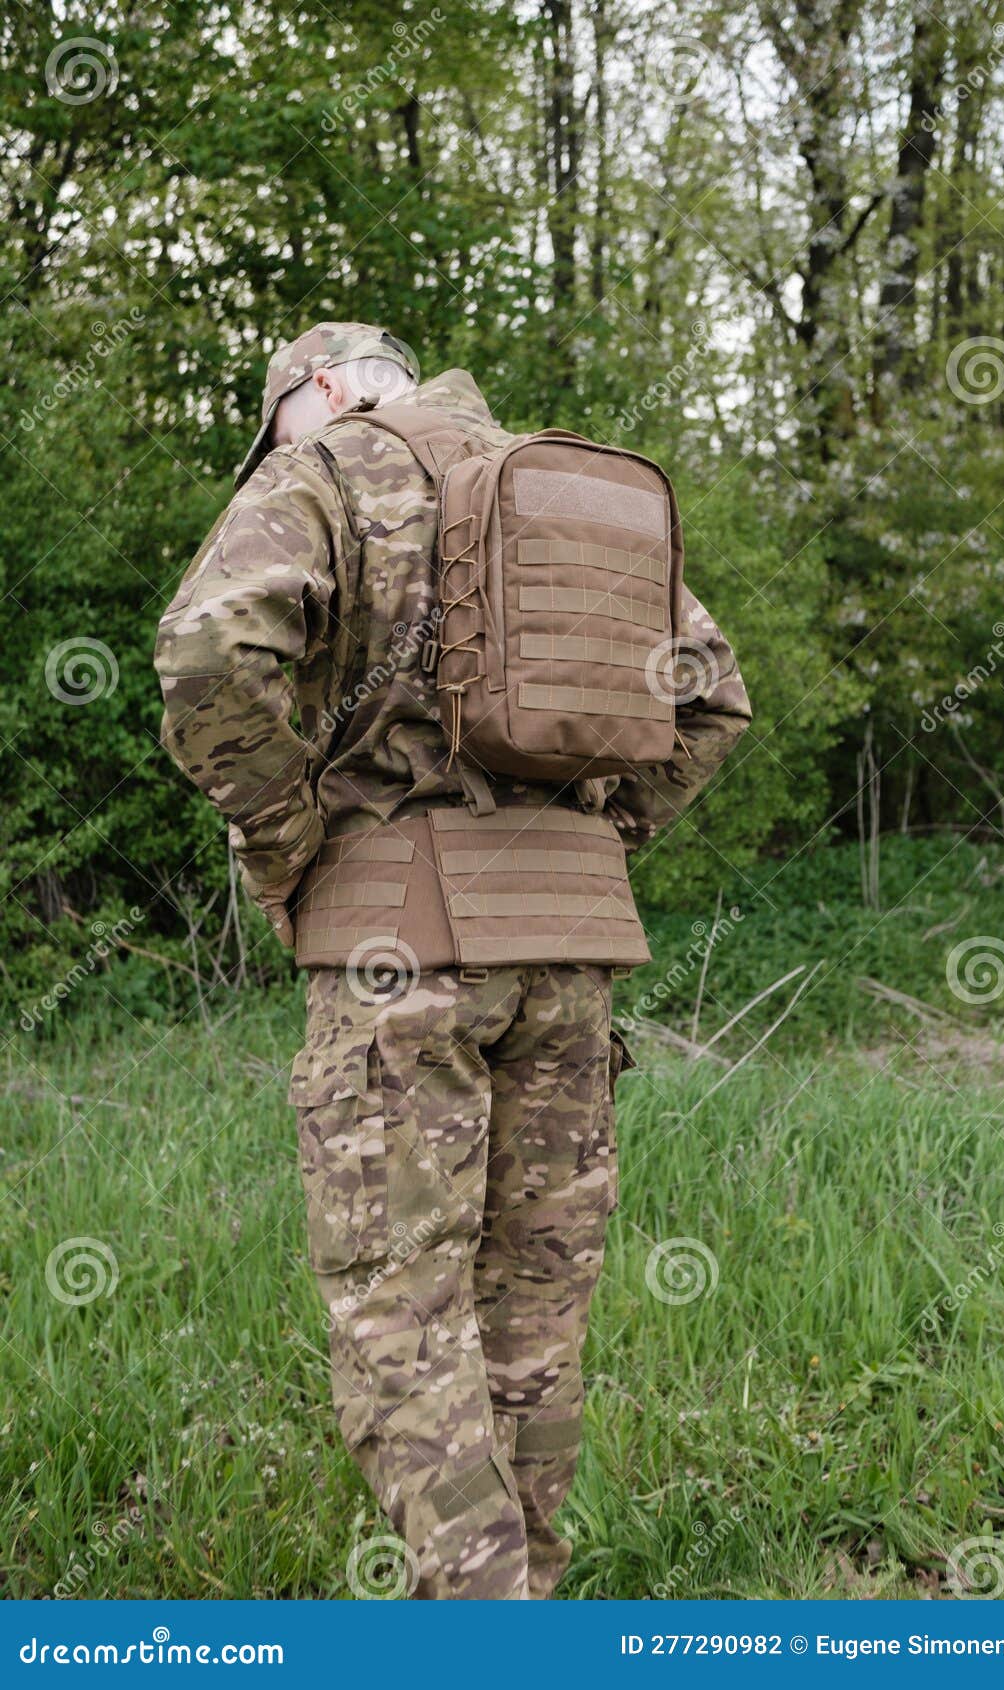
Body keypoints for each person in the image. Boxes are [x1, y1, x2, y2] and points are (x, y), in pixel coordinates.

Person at [154, 320, 751, 1599]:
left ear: (322, 387)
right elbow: (710, 695)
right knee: (534, 1305)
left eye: (276, 426)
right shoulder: (570, 487)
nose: (275, 451)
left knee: (401, 1312)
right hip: (571, 956)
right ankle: (521, 1602)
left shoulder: (331, 466)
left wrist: (290, 846)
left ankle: (478, 1628)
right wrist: (593, 844)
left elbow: (208, 651)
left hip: (393, 947)